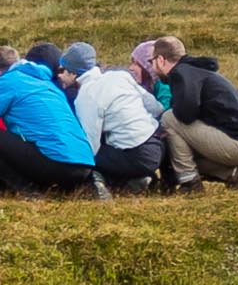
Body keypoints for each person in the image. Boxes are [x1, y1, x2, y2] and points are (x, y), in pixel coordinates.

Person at [0, 41, 103, 197]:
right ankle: (85, 184)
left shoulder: (6, 82)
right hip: (85, 164)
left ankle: (24, 189)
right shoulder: (47, 84)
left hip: (55, 163)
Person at [140, 37, 238, 188]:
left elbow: (185, 115)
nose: (153, 68)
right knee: (182, 151)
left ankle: (189, 181)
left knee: (169, 118)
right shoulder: (198, 72)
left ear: (161, 59)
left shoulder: (181, 74)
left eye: (152, 62)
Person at [62, 41, 171, 192]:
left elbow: (91, 145)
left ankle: (116, 182)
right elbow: (156, 107)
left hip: (136, 156)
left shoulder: (86, 95)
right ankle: (140, 179)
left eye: (62, 70)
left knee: (87, 156)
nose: (60, 76)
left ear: (72, 72)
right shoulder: (119, 76)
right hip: (158, 147)